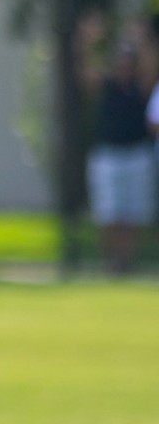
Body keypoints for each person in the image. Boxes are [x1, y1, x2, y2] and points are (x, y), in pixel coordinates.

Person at [84, 31, 155, 276]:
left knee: (132, 213)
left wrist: (141, 38)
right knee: (109, 212)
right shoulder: (106, 87)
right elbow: (86, 72)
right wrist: (89, 39)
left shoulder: (140, 87)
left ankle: (127, 263)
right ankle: (110, 264)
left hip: (136, 153)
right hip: (108, 155)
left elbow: (151, 67)